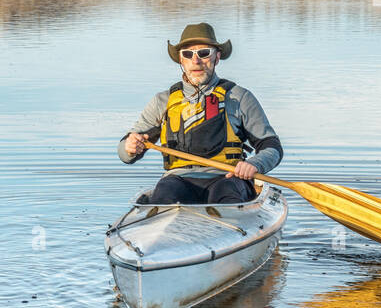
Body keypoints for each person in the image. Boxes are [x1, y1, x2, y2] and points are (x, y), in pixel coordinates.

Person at [119, 23, 282, 204]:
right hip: (177, 180)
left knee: (224, 193)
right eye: (188, 54)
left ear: (217, 57)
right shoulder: (162, 101)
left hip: (228, 178)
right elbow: (125, 155)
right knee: (166, 193)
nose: (195, 61)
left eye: (204, 53)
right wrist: (130, 147)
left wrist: (254, 164)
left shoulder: (240, 97)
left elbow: (272, 146)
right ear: (181, 60)